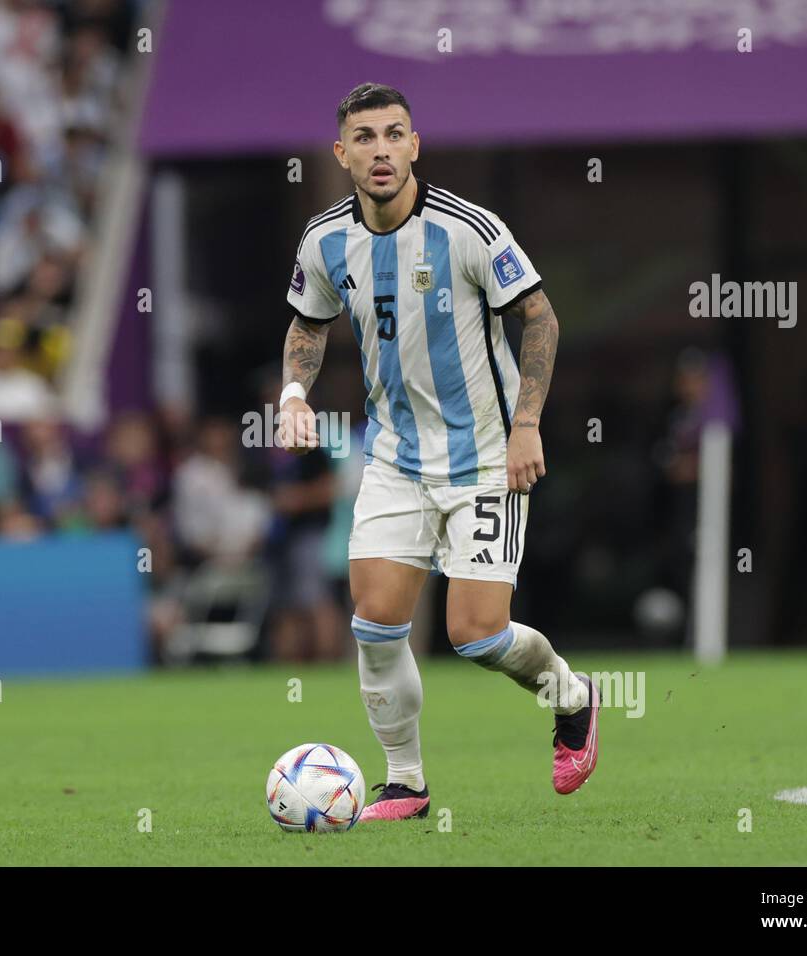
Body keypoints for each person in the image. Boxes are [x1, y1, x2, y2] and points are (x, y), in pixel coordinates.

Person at [276, 84, 601, 820]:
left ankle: (574, 698)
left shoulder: (469, 230)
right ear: (342, 154)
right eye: (364, 137)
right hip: (394, 459)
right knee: (375, 622)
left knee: (477, 636)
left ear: (415, 145)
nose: (381, 149)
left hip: (486, 456)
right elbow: (307, 326)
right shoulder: (325, 239)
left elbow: (540, 320)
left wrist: (527, 424)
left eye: (394, 134)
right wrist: (294, 396)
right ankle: (405, 781)